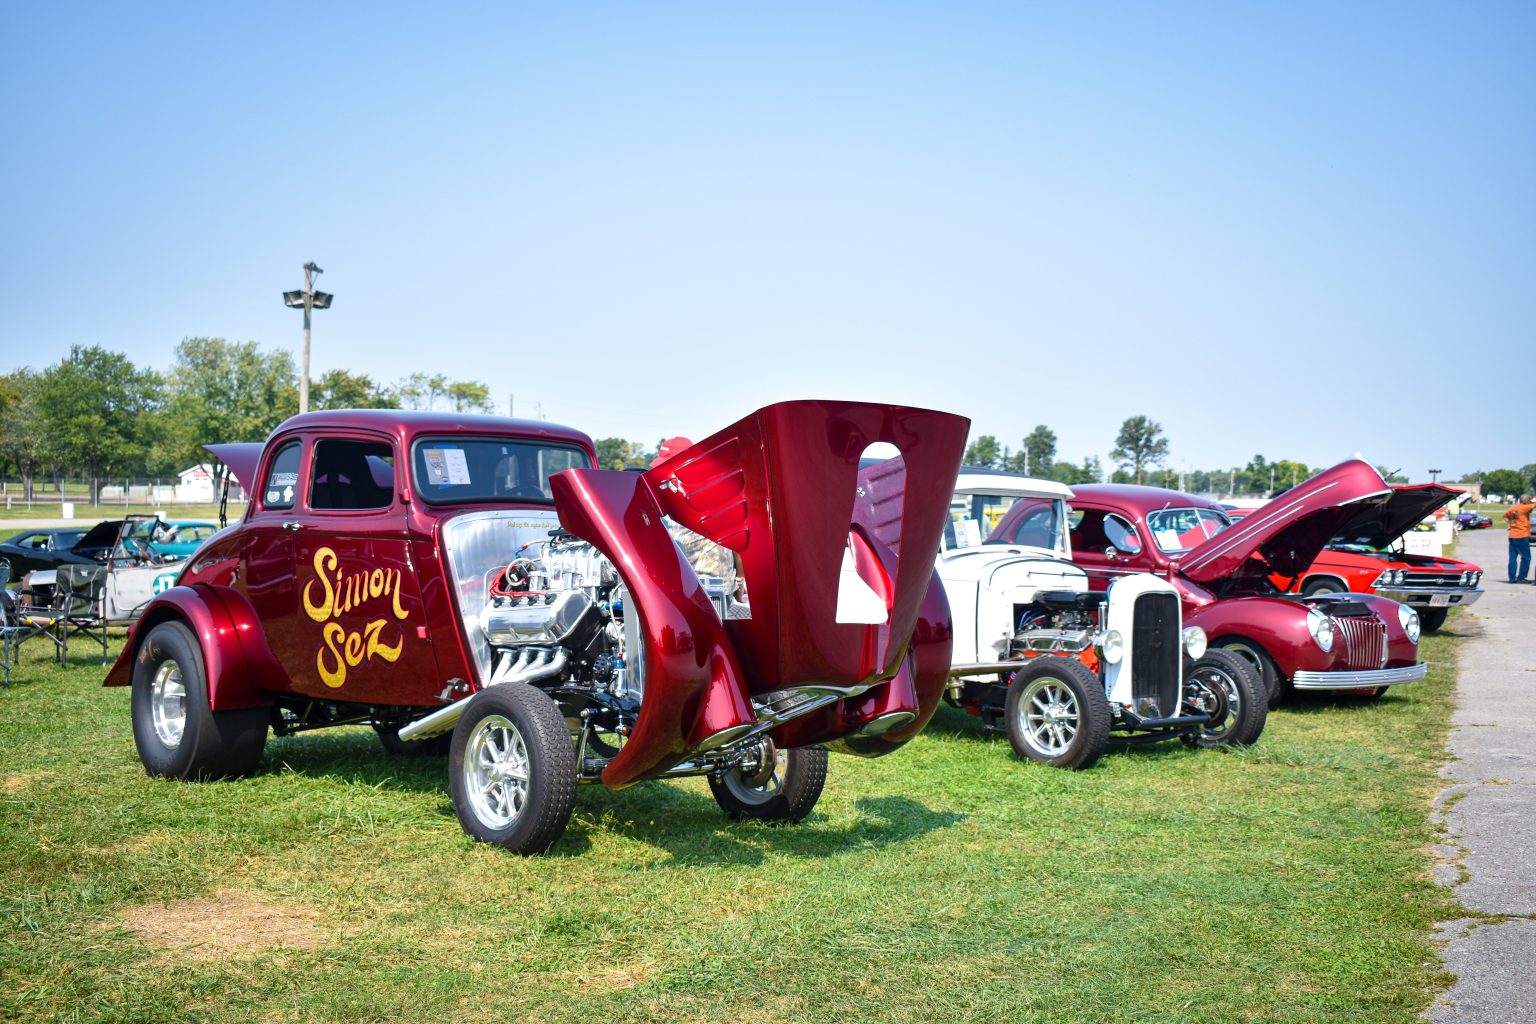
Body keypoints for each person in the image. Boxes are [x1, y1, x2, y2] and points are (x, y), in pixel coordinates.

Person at [1504, 494, 1535, 583]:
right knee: (1526, 558)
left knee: (1513, 558)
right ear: (1527, 501)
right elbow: (1533, 505)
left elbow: (1505, 516)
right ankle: (1521, 577)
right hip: (1522, 535)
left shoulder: (1513, 508)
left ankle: (1512, 578)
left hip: (1512, 535)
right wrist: (1533, 501)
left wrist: (1511, 524)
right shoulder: (1525, 507)